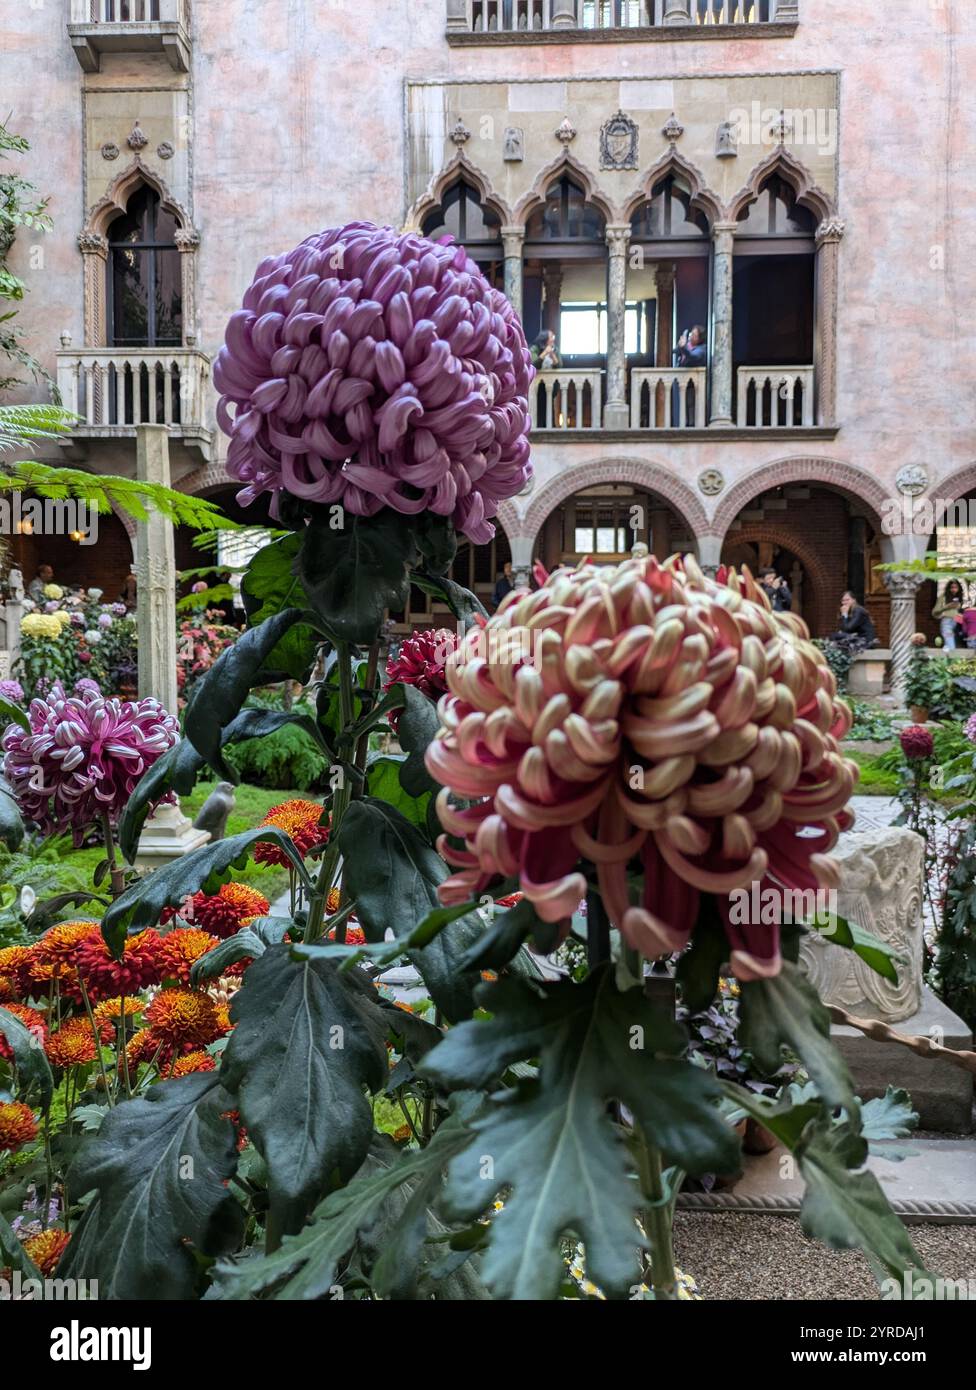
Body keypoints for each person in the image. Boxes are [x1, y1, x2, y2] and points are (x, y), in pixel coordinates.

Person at [933, 579, 966, 649]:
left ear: (959, 588)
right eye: (952, 587)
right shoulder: (943, 597)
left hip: (956, 623)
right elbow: (934, 612)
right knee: (951, 644)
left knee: (949, 645)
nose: (954, 589)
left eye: (956, 587)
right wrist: (947, 607)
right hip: (946, 622)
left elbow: (958, 612)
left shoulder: (959, 598)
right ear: (948, 588)